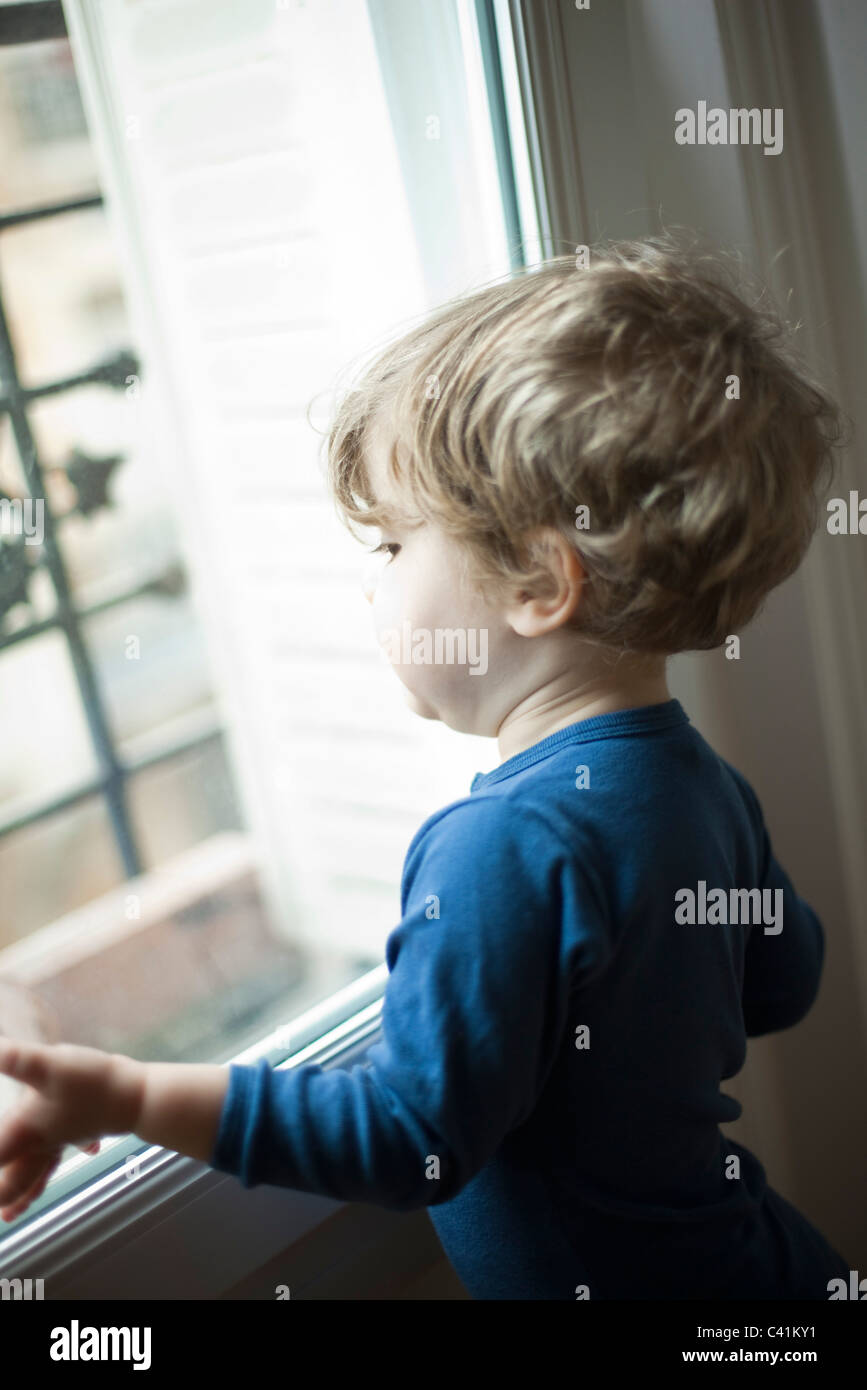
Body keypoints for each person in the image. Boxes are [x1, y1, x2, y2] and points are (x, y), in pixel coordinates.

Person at [0, 232, 852, 1299]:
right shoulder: (695, 782)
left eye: (395, 545)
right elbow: (786, 977)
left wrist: (125, 1095)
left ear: (541, 579)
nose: (376, 585)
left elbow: (411, 1140)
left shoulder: (502, 843)